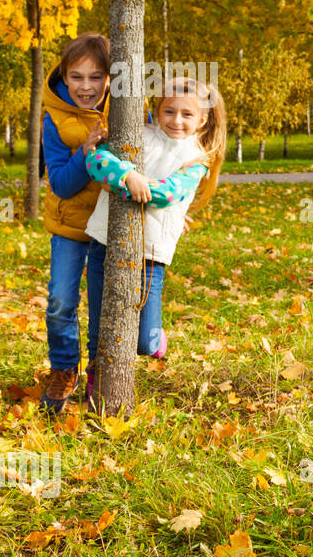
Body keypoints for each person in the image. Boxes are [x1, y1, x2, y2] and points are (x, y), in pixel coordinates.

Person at [82, 77, 227, 409]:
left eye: (187, 114)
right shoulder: (138, 136)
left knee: (145, 343)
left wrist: (123, 177)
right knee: (98, 325)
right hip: (104, 242)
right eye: (169, 111)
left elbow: (163, 194)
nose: (177, 120)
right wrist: (122, 172)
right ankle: (95, 381)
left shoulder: (197, 160)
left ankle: (156, 339)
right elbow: (95, 164)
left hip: (151, 255)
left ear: (202, 119)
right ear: (157, 110)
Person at [39, 33, 112, 413]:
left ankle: (101, 368)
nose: (86, 87)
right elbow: (63, 185)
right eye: (77, 77)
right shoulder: (53, 118)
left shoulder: (128, 110)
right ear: (64, 78)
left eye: (96, 77)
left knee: (104, 304)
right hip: (69, 224)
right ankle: (65, 368)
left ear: (110, 78)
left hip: (109, 227)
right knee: (60, 301)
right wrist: (87, 151)